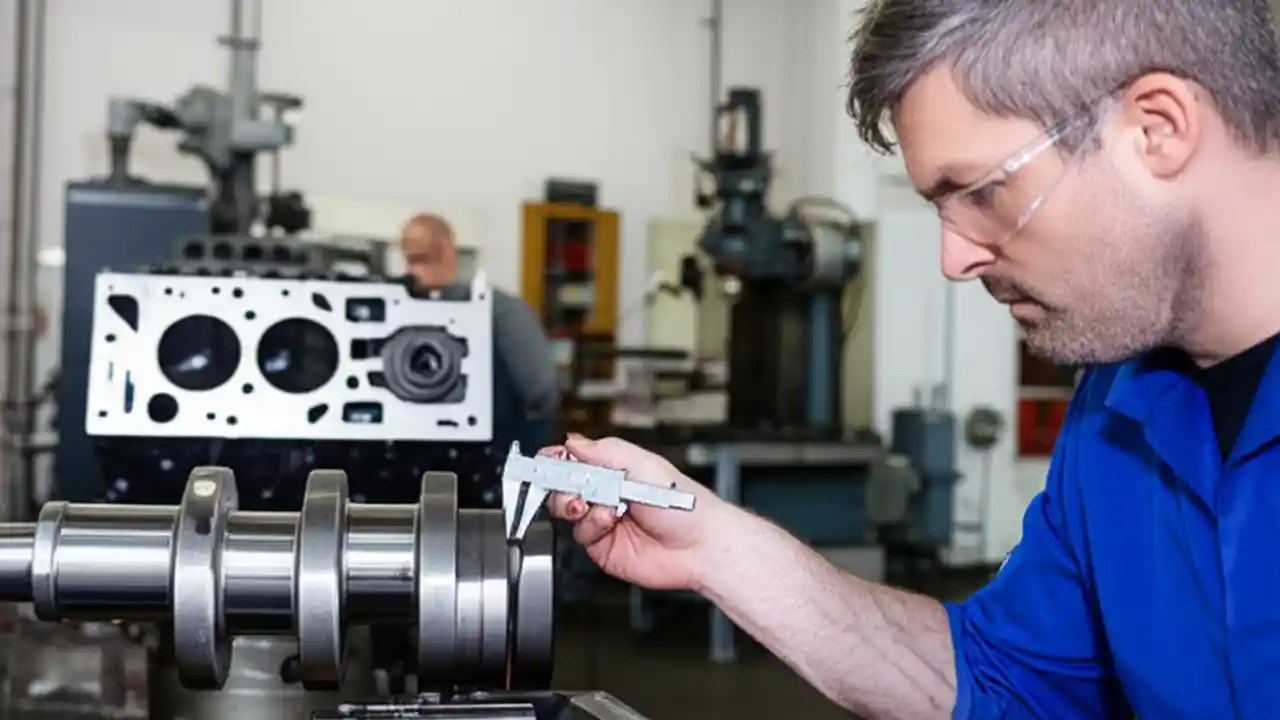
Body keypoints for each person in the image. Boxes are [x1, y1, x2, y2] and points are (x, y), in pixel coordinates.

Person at [536, 1, 1280, 717]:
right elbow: (1005, 679)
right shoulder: (1118, 406)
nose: (954, 258)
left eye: (983, 192)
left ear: (1157, 129)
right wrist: (714, 545)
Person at [398, 213, 560, 454]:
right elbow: (541, 389)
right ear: (449, 251)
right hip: (496, 461)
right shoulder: (501, 310)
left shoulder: (392, 315)